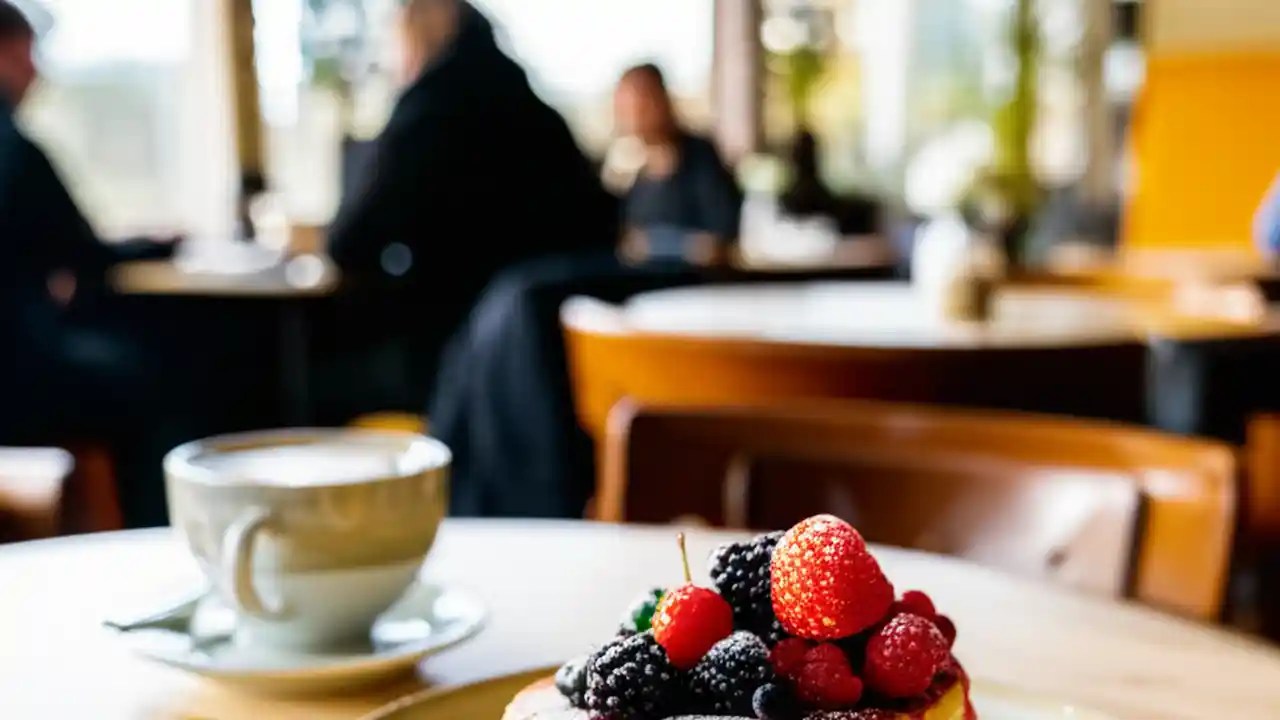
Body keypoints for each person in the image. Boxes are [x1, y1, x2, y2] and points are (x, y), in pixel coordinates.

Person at [326, 0, 617, 400]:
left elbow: (348, 242)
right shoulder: (533, 108)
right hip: (563, 374)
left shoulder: (428, 108)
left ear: (425, 27)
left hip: (462, 366)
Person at [0, 2, 186, 528]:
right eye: (26, 52)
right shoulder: (14, 148)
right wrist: (161, 245)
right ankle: (151, 536)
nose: (36, 71)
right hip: (17, 378)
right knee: (161, 383)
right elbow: (83, 252)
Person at [610, 63, 742, 266]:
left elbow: (718, 243)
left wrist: (653, 245)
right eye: (625, 108)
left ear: (662, 101)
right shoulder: (633, 174)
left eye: (641, 105)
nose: (633, 116)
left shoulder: (700, 159)